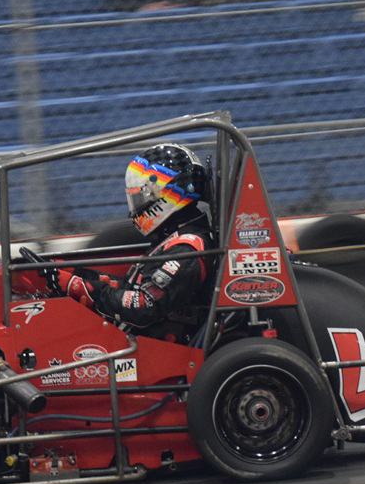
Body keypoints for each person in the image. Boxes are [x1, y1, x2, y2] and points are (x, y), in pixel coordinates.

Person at [15, 144, 215, 341]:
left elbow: (142, 306)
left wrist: (74, 285)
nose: (136, 207)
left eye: (141, 197)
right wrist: (71, 273)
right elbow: (128, 288)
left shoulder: (187, 248)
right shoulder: (172, 236)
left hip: (149, 348)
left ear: (167, 194)